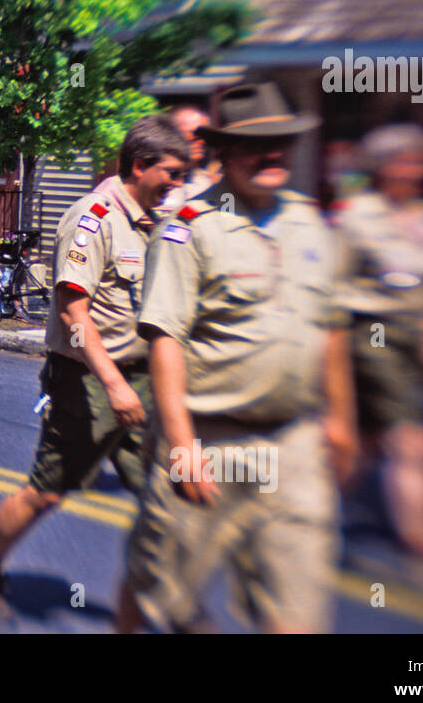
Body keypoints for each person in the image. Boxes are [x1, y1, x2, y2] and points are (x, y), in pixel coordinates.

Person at [119, 82, 358, 634]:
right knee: (160, 585)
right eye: (255, 146)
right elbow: (166, 339)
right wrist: (181, 446)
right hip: (210, 435)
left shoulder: (314, 225)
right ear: (224, 154)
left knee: (297, 611)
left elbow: (334, 327)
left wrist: (341, 424)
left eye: (281, 142)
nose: (272, 154)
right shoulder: (188, 230)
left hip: (295, 444)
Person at [0, 116, 191, 627]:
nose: (177, 184)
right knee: (47, 491)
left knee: (164, 494)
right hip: (90, 379)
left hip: (142, 377)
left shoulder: (156, 221)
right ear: (140, 165)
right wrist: (113, 385)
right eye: (171, 173)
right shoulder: (94, 218)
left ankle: (156, 606)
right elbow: (73, 317)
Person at [331, 124, 423, 579]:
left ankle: (312, 519)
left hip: (416, 338)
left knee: (362, 446)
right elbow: (334, 285)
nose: (417, 170)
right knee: (415, 442)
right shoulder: (356, 216)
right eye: (406, 160)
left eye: (422, 160)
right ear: (381, 166)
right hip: (371, 337)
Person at [156, 103, 220, 219]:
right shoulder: (151, 179)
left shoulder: (210, 184)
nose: (202, 141)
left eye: (206, 136)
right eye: (194, 134)